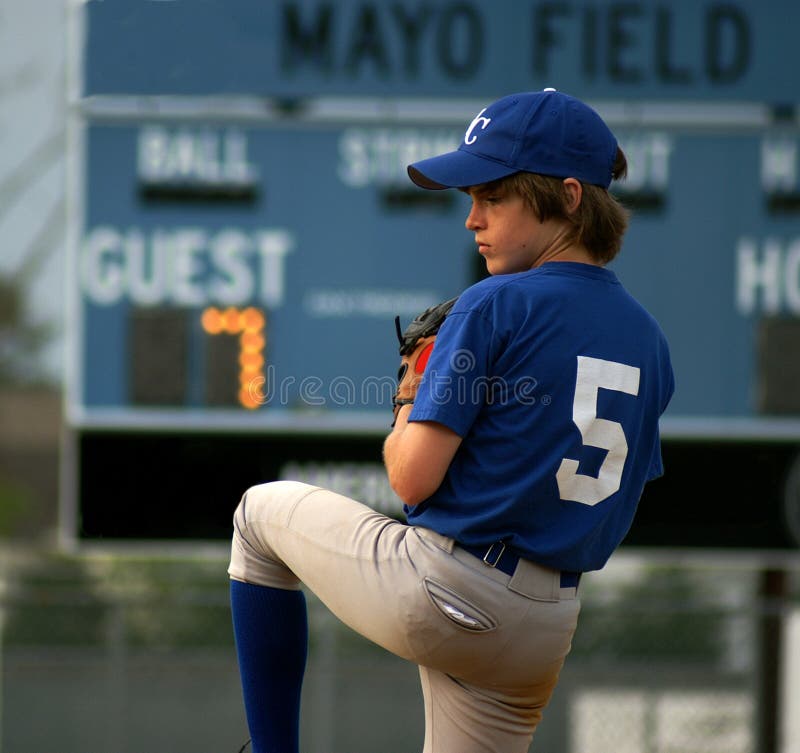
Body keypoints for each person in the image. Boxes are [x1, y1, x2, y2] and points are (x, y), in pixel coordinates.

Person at [228, 88, 674, 753]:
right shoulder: (648, 338)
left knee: (258, 516)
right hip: (545, 629)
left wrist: (410, 399)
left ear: (570, 197)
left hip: (447, 592)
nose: (473, 219)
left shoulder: (493, 302)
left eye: (493, 197)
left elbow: (412, 479)